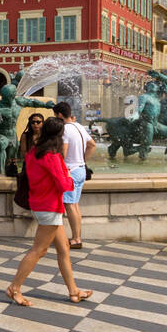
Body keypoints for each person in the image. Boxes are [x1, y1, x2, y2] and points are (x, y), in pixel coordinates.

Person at [6, 116, 91, 306]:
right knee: (39, 250)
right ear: (59, 137)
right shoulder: (51, 156)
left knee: (64, 249)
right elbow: (64, 185)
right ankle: (14, 287)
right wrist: (69, 178)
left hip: (41, 204)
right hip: (48, 207)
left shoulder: (34, 152)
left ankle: (74, 291)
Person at [54, 100, 94, 250]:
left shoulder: (65, 130)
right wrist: (82, 160)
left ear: (59, 115)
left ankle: (76, 239)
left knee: (70, 205)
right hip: (81, 170)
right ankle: (77, 236)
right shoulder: (79, 127)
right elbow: (92, 145)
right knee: (75, 205)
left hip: (70, 171)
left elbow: (63, 153)